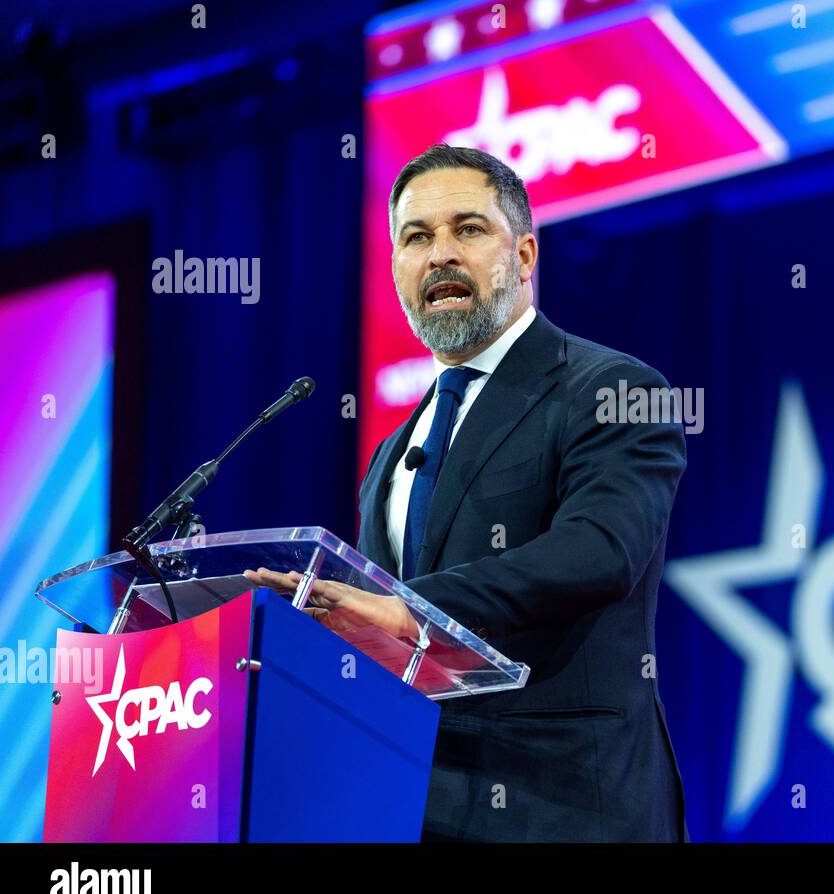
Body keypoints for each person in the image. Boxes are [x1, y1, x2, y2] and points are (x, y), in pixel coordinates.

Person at [248, 144, 688, 841]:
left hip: (567, 805)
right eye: (416, 238)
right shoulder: (392, 454)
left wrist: (407, 611)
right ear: (395, 268)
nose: (440, 254)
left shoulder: (613, 389)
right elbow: (378, 637)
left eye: (469, 229)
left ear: (525, 256)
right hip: (414, 807)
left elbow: (600, 552)